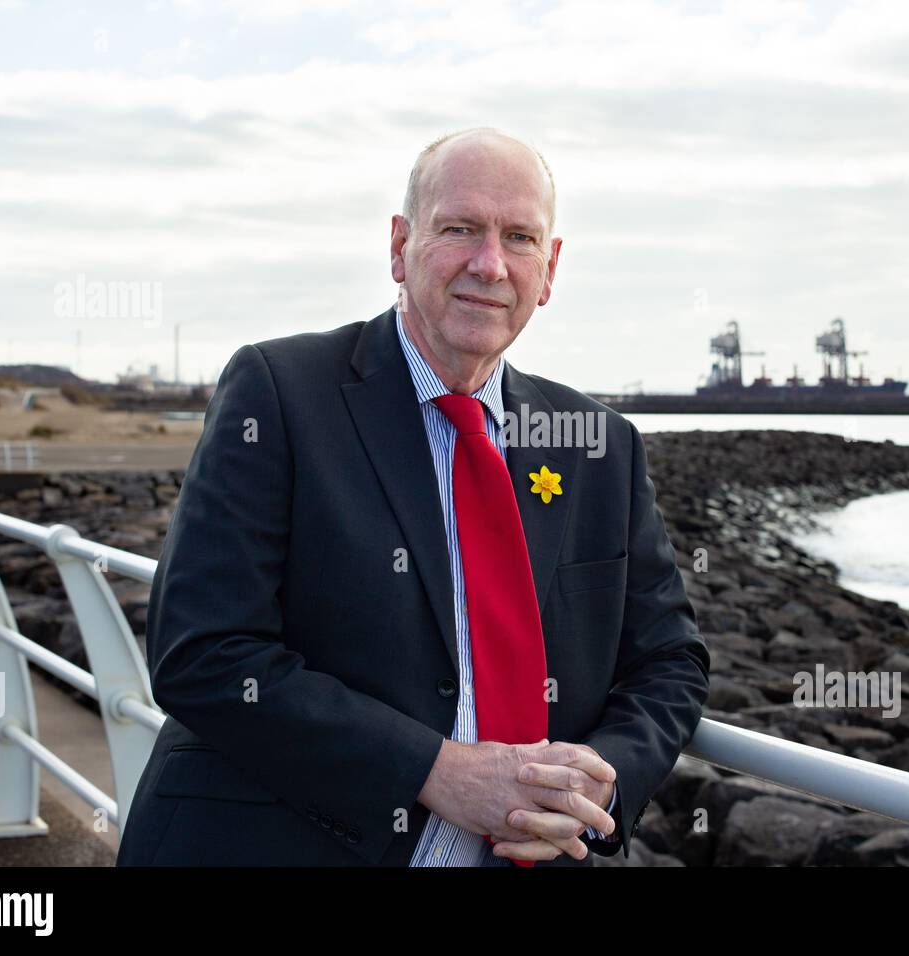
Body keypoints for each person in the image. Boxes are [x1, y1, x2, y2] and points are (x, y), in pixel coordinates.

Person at [115, 127, 710, 867]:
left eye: (520, 237)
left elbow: (670, 660)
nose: (489, 265)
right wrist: (434, 771)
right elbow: (201, 651)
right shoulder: (278, 391)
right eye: (459, 229)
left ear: (549, 269)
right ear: (399, 246)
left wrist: (594, 791)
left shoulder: (601, 443)